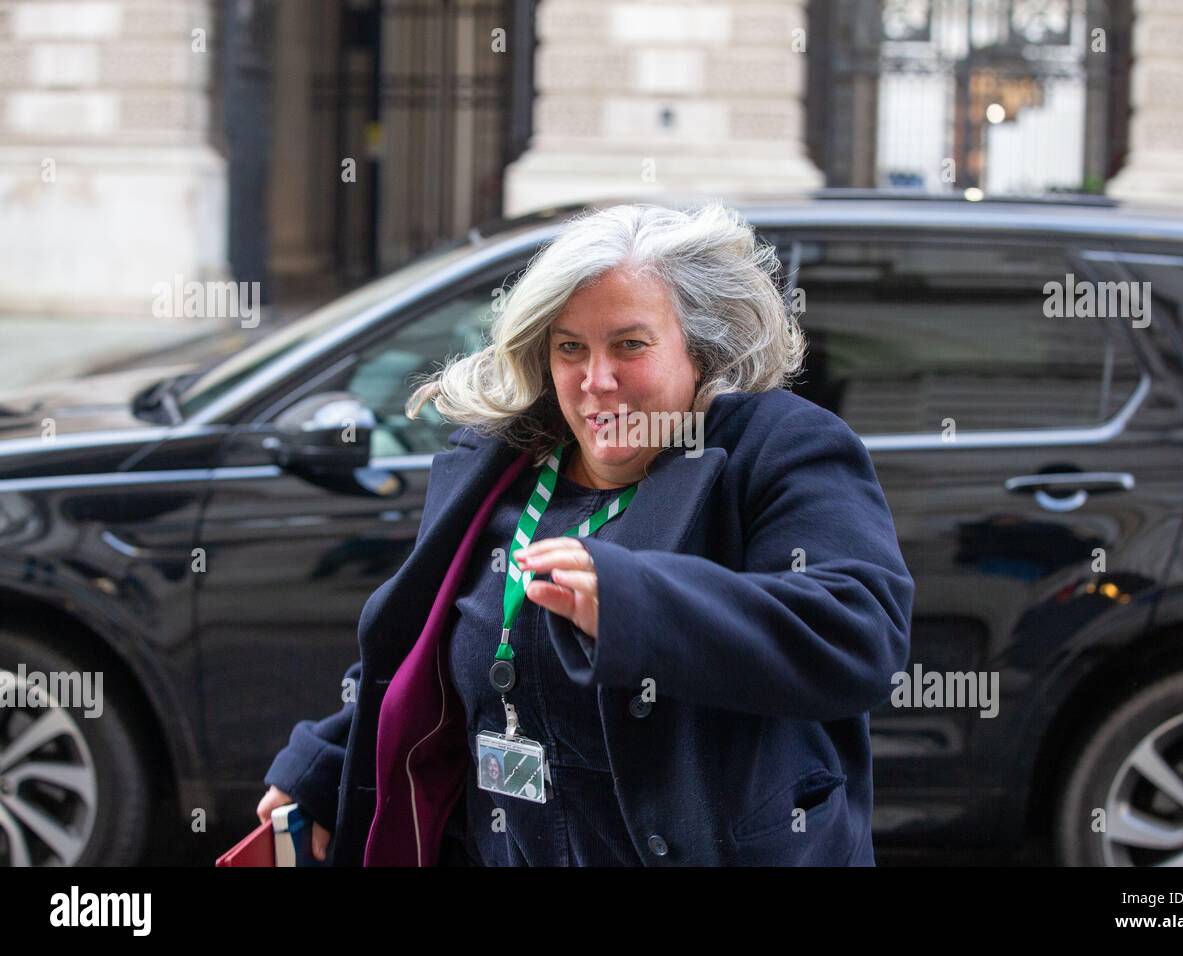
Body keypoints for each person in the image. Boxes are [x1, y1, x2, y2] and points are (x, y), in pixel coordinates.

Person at [257, 200, 914, 866]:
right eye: (571, 347)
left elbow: (857, 632)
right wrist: (327, 764)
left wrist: (637, 603)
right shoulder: (499, 465)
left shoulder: (778, 447)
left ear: (702, 349)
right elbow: (426, 650)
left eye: (630, 344)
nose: (598, 381)